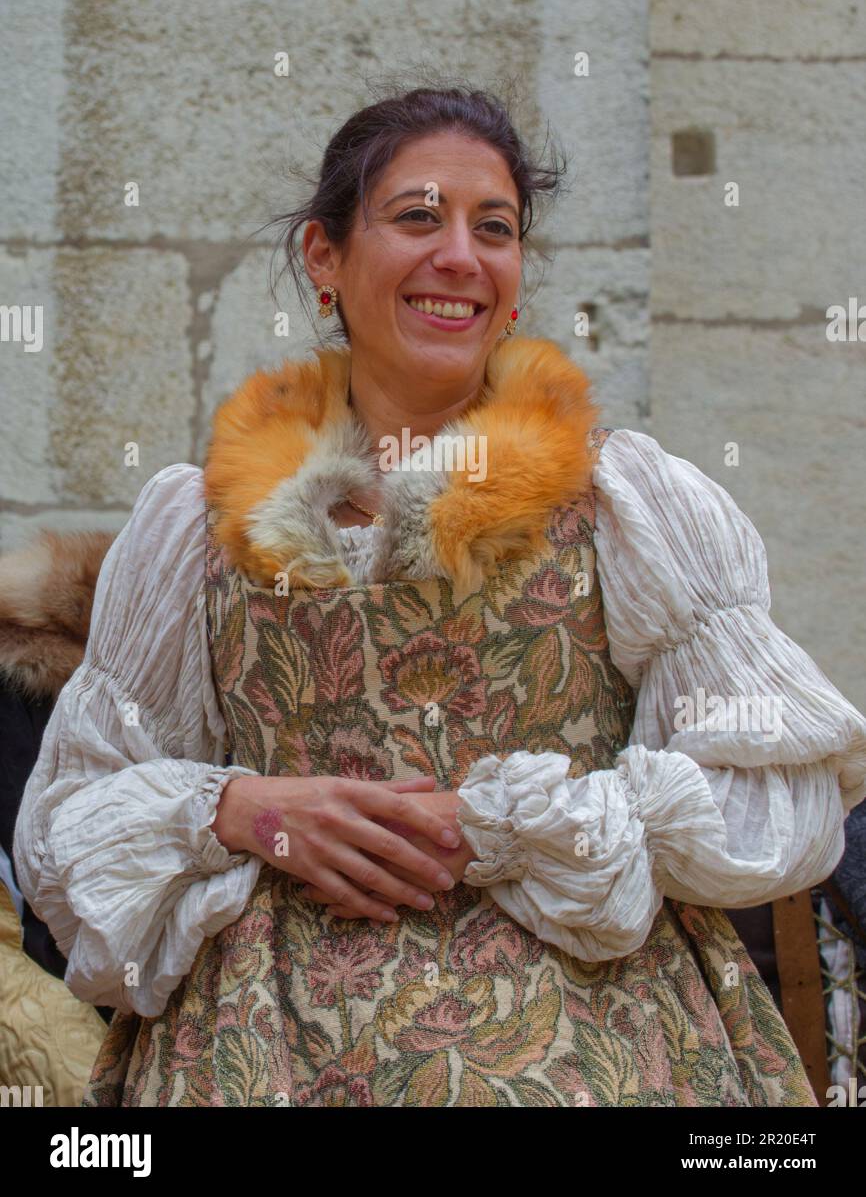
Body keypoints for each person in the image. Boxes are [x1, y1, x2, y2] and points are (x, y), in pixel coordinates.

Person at [13, 85, 866, 1108]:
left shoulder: (628, 505)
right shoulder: (191, 526)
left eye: (493, 228)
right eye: (417, 216)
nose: (459, 254)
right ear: (324, 258)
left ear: (514, 281)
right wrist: (237, 807)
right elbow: (68, 830)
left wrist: (514, 823)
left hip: (601, 1059)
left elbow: (777, 789)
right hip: (261, 1061)